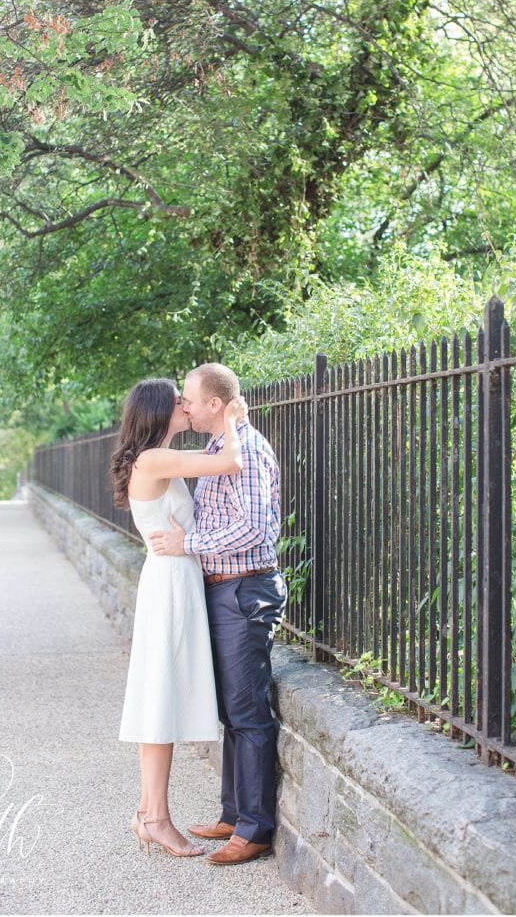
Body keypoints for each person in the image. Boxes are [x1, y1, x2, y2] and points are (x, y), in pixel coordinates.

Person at [150, 363, 287, 866]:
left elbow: (255, 530)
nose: (183, 407)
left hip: (245, 592)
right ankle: (233, 814)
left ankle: (254, 829)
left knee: (248, 713)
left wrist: (191, 542)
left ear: (215, 404)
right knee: (232, 710)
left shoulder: (246, 451)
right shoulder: (216, 448)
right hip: (223, 590)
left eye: (189, 398)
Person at [110, 377, 247, 858]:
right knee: (159, 700)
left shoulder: (154, 457)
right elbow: (231, 460)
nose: (185, 406)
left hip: (173, 579)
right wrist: (231, 419)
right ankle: (155, 818)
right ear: (157, 411)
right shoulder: (153, 459)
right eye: (177, 402)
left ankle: (150, 812)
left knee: (159, 699)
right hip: (169, 583)